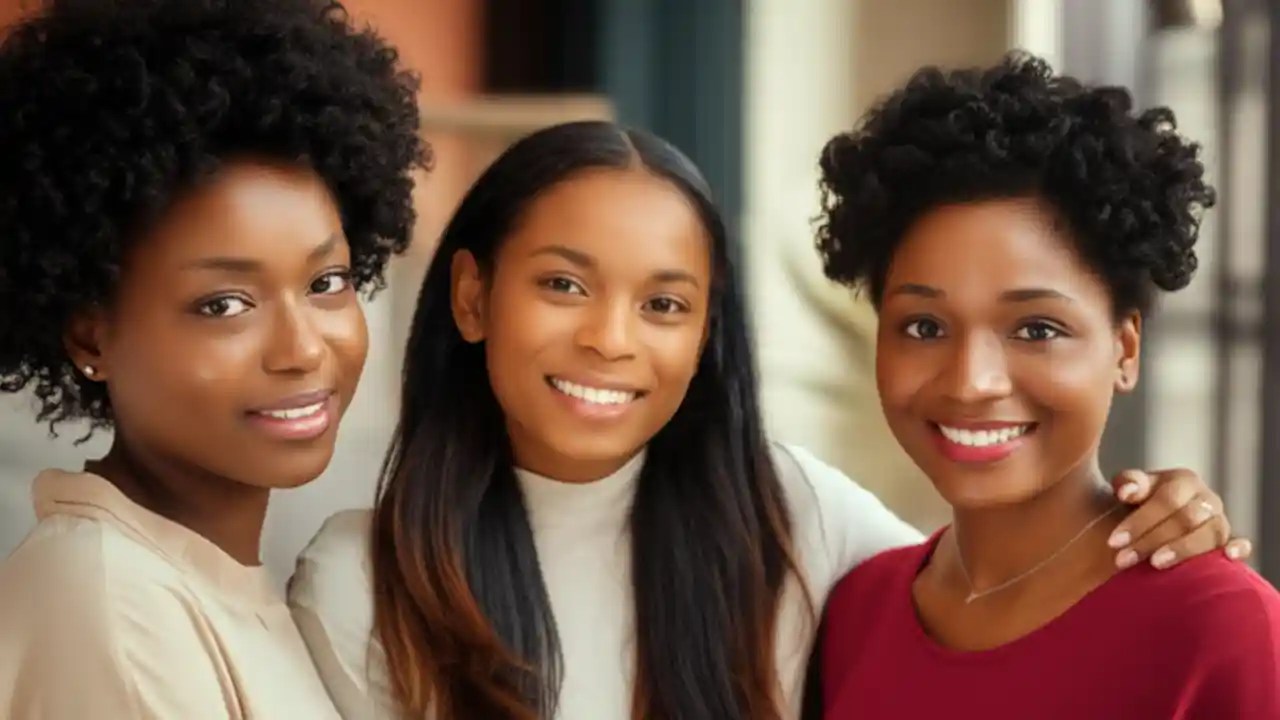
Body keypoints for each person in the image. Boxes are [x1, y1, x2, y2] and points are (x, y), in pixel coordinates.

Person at [288, 120, 1245, 720]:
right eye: (563, 284)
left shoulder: (791, 517)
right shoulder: (361, 584)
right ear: (470, 297)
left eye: (664, 304)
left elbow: (1018, 599)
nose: (611, 340)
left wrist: (1170, 503)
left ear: (708, 333)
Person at [817, 53, 1280, 719]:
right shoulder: (856, 609)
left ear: (1124, 348)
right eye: (924, 326)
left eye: (1035, 329)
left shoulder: (1217, 627)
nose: (972, 382)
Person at [0, 1, 426, 718]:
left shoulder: (200, 583)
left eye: (326, 283)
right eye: (224, 304)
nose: (302, 349)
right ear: (90, 337)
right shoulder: (110, 605)